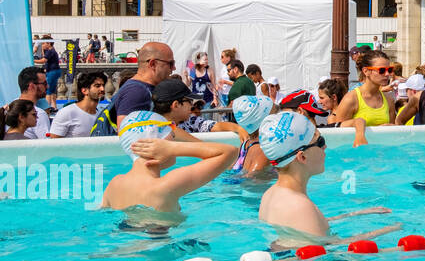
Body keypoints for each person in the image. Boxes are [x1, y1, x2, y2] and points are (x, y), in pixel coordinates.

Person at [257, 110, 397, 247]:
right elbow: (333, 252)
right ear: (302, 157)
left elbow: (302, 226)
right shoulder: (300, 207)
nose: (325, 146)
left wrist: (355, 214)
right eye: (320, 141)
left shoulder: (270, 194)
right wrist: (390, 230)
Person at [102, 110, 238, 214]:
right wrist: (173, 148)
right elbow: (230, 152)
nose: (174, 140)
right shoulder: (164, 186)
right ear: (156, 141)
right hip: (163, 247)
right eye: (171, 136)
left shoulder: (114, 184)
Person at [335, 49, 399, 145]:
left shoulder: (388, 99)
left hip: (381, 152)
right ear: (366, 71)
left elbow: (391, 135)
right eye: (381, 70)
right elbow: (337, 135)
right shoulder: (351, 99)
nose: (387, 74)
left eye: (389, 70)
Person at [48, 71, 107, 138]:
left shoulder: (101, 115)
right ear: (84, 90)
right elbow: (54, 143)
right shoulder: (67, 112)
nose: (102, 89)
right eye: (97, 86)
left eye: (103, 85)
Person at [229, 94, 275, 175]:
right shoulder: (264, 150)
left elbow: (232, 169)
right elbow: (253, 180)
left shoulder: (244, 145)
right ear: (266, 120)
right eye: (275, 114)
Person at [11, 67, 51, 139]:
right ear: (32, 86)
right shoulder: (38, 114)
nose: (48, 86)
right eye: (44, 83)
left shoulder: (10, 108)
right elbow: (47, 145)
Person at [40, 40, 61, 109]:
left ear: (48, 43)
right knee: (52, 91)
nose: (42, 45)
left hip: (52, 72)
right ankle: (54, 107)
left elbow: (43, 60)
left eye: (43, 43)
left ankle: (46, 109)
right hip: (55, 71)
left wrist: (32, 59)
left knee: (48, 91)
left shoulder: (50, 51)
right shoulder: (52, 51)